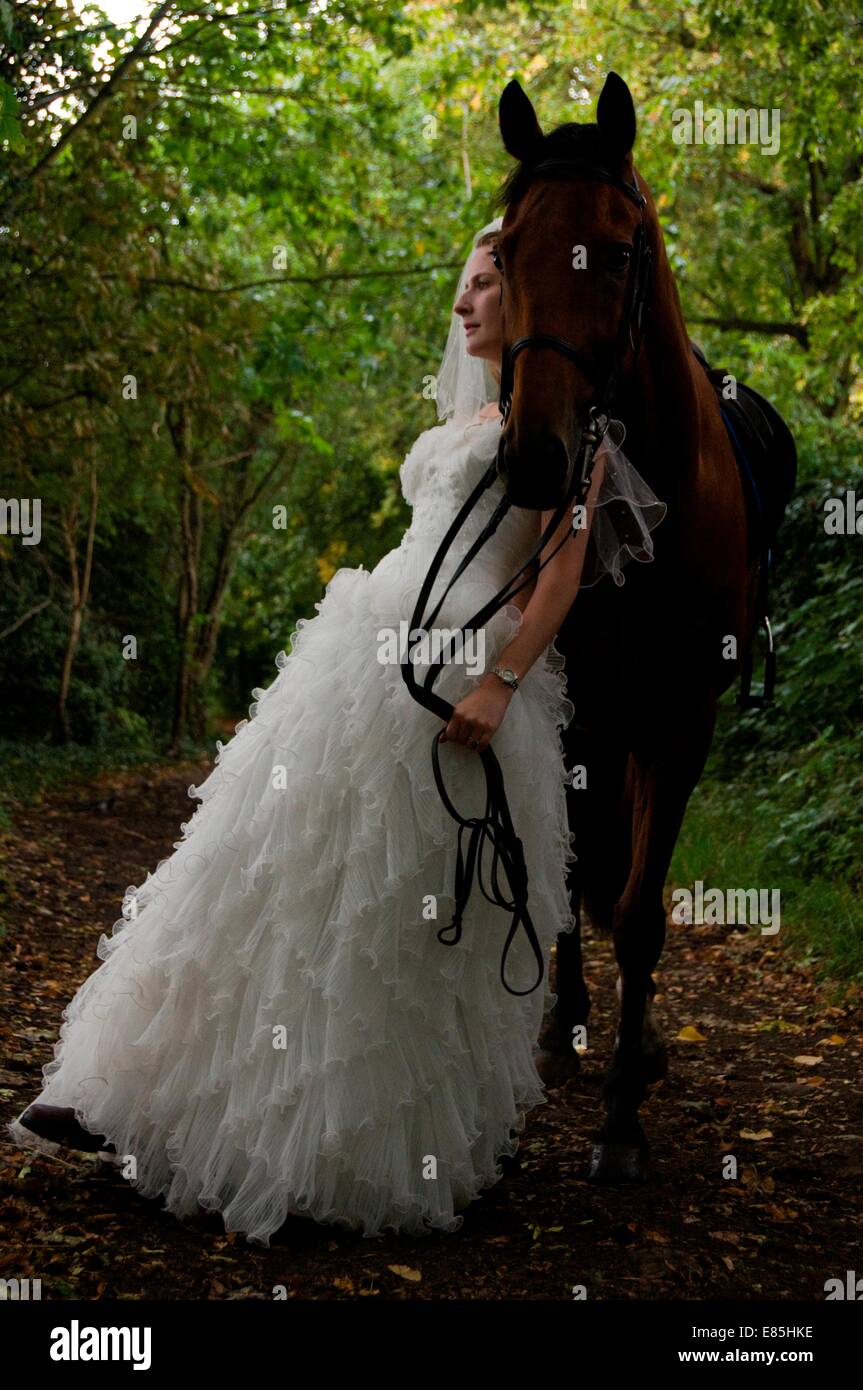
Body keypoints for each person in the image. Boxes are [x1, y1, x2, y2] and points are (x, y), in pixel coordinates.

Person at [8, 217, 666, 1245]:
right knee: (262, 869)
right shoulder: (454, 425)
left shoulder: (568, 433)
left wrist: (497, 683)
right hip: (362, 653)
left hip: (464, 675)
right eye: (463, 283)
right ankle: (131, 1097)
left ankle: (347, 1150)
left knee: (396, 922)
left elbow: (559, 572)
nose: (464, 300)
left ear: (525, 299)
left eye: (486, 284)